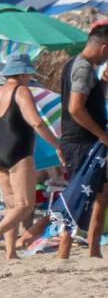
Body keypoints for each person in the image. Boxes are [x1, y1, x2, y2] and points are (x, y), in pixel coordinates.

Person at [0, 53, 63, 259]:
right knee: (25, 205)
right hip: (17, 152)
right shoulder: (22, 91)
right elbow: (36, 123)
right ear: (24, 73)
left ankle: (10, 253)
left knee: (11, 205)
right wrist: (57, 146)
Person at [56, 25, 108, 258]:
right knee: (80, 195)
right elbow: (75, 108)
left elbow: (85, 103)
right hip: (82, 143)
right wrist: (102, 135)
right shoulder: (84, 68)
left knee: (99, 193)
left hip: (80, 141)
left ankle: (93, 248)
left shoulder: (74, 65)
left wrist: (103, 84)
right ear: (104, 48)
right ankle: (63, 250)